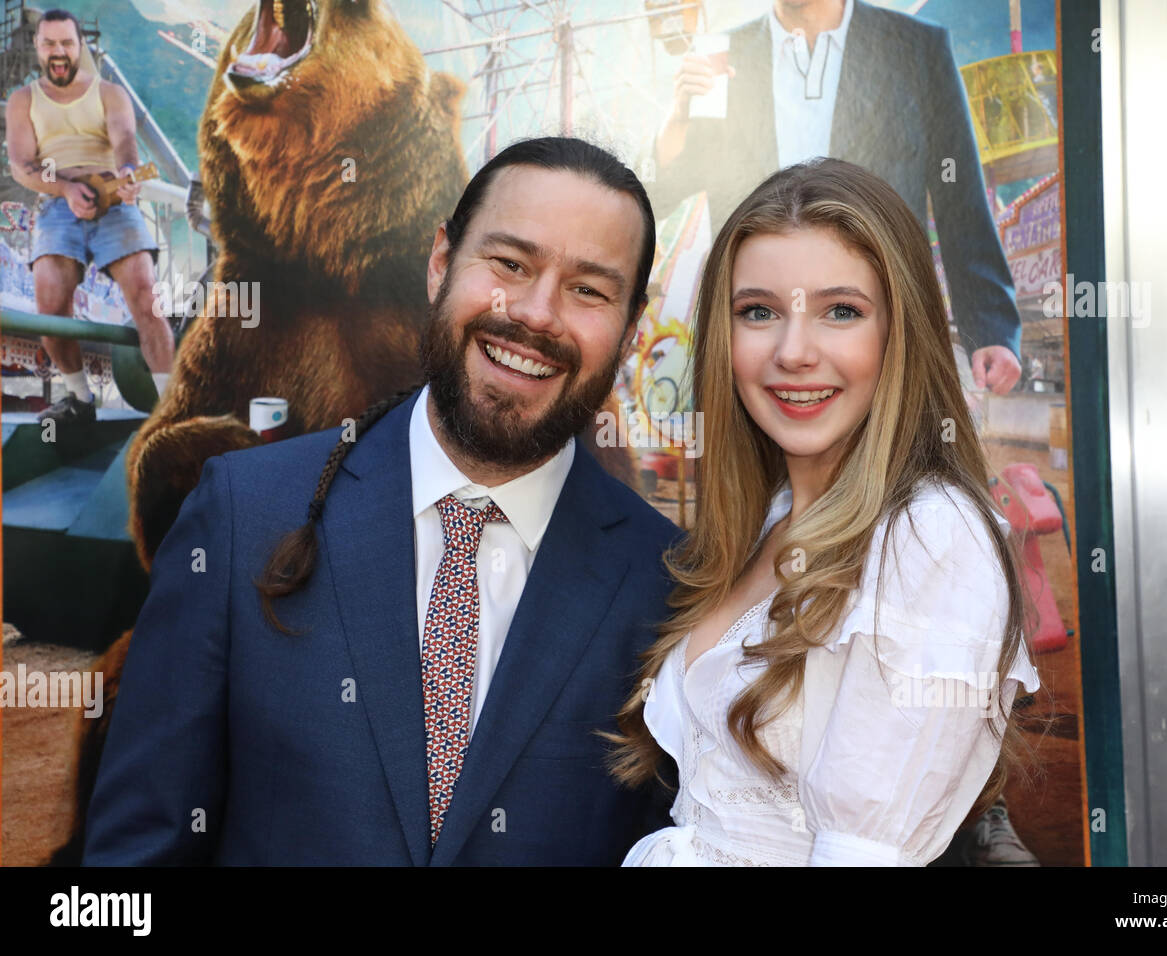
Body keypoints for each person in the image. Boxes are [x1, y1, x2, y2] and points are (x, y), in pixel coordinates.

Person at [82, 137, 679, 865]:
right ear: (440, 263)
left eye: (589, 289)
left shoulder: (666, 584)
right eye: (510, 264)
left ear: (630, 326)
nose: (536, 313)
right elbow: (132, 863)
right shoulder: (243, 516)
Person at [608, 158, 1041, 866]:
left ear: (899, 333)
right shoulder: (762, 524)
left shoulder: (930, 536)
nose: (793, 352)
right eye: (759, 312)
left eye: (841, 311)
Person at [643, 0, 1022, 396]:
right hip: (758, 333)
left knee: (887, 455)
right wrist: (678, 121)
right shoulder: (722, 55)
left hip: (880, 330)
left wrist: (990, 326)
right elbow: (659, 196)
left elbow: (959, 196)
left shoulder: (916, 48)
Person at [5, 8, 173, 424]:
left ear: (80, 46)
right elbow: (23, 164)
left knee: (146, 299)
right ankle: (80, 399)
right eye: (49, 44)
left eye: (66, 43)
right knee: (49, 302)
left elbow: (125, 141)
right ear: (38, 48)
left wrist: (129, 173)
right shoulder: (22, 101)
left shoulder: (110, 93)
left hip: (114, 201)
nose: (58, 52)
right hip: (56, 204)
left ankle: (172, 406)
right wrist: (64, 186)